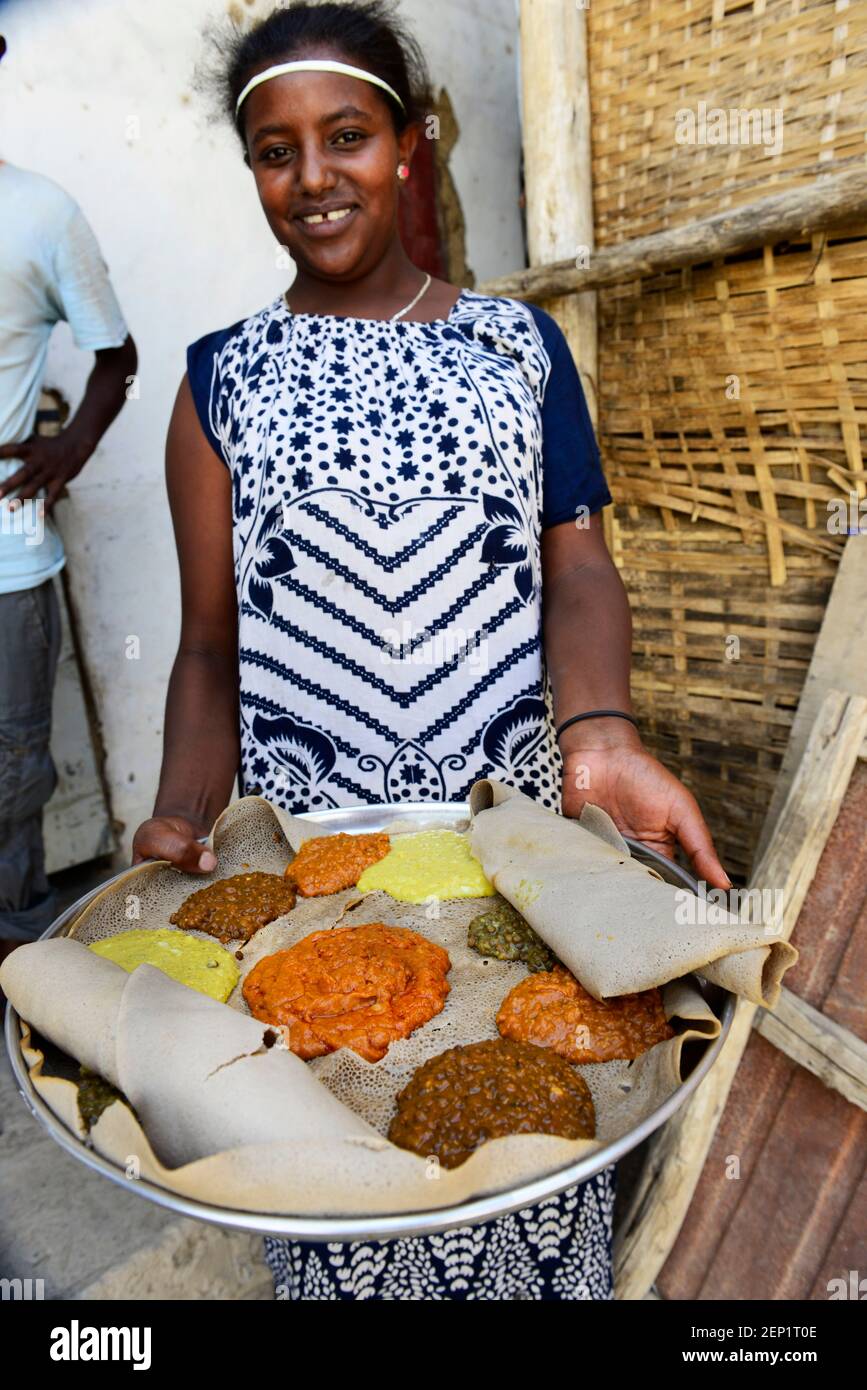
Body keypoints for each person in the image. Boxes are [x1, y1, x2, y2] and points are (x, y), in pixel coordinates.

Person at [134, 1, 730, 1300]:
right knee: (337, 1192)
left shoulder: (516, 349)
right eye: (274, 151)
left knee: (532, 1149)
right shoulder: (217, 383)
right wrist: (182, 809)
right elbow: (205, 648)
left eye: (343, 135)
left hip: (509, 855)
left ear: (404, 144)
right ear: (252, 171)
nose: (311, 178)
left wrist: (600, 732)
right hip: (313, 884)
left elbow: (575, 561)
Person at [0, 34, 137, 957]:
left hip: (6, 560)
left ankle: (15, 949)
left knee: (12, 772)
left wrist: (69, 449)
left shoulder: (41, 213)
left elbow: (115, 355)